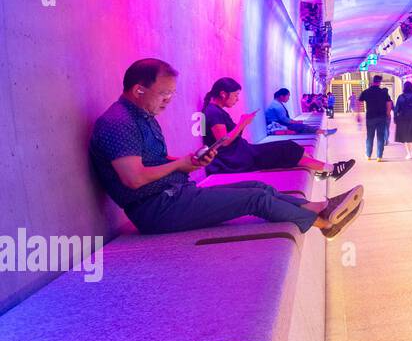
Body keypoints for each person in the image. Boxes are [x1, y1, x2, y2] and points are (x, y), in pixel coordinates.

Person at [90, 59, 363, 238]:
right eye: (164, 93)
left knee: (260, 187)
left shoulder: (143, 117)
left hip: (176, 195)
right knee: (254, 200)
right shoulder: (118, 123)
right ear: (139, 90)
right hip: (158, 211)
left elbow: (155, 161)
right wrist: (179, 165)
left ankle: (323, 206)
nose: (169, 100)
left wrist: (188, 161)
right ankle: (325, 223)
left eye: (172, 93)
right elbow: (133, 178)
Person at [202, 78, 354, 180]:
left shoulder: (216, 111)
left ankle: (325, 170)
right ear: (223, 94)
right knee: (286, 149)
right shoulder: (213, 112)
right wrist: (243, 123)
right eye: (235, 95)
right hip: (236, 160)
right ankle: (330, 170)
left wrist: (243, 123)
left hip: (243, 152)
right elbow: (223, 142)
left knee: (289, 146)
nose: (237, 99)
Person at [265, 88, 334, 135]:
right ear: (281, 96)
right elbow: (284, 119)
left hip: (280, 124)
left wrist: (294, 121)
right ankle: (324, 132)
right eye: (288, 96)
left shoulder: (276, 104)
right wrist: (296, 121)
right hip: (279, 126)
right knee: (303, 127)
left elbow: (284, 119)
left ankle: (323, 131)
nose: (288, 98)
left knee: (303, 126)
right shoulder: (277, 106)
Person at [358, 75, 393, 161]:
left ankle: (368, 155)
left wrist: (358, 114)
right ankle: (379, 157)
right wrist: (388, 113)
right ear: (380, 82)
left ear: (372, 81)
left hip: (370, 117)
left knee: (370, 136)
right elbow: (389, 103)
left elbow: (359, 101)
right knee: (380, 137)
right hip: (382, 117)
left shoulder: (366, 91)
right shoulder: (384, 92)